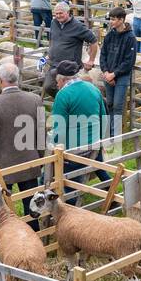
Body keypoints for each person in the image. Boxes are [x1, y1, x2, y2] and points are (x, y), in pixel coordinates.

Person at [0, 60, 46, 225]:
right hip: (30, 161)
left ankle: (4, 239)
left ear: (0, 80)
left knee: (2, 208)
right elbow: (41, 134)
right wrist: (39, 158)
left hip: (2, 166)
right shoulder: (35, 100)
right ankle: (33, 237)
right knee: (31, 206)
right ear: (17, 79)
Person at [50, 60, 110, 194]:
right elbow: (103, 117)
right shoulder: (93, 89)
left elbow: (59, 128)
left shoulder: (63, 95)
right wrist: (101, 141)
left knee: (52, 171)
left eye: (57, 80)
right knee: (97, 162)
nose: (56, 84)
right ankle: (111, 193)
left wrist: (54, 149)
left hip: (76, 151)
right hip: (94, 145)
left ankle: (71, 202)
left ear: (63, 79)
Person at [43, 1, 98, 99]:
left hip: (70, 66)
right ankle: (66, 101)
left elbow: (93, 41)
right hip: (54, 64)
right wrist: (50, 52)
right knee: (48, 87)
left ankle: (68, 105)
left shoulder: (78, 26)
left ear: (68, 13)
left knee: (70, 88)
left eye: (61, 13)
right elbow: (52, 39)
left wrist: (91, 60)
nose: (58, 16)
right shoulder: (54, 22)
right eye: (56, 14)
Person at [99, 5, 137, 137]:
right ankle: (108, 133)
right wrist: (105, 72)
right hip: (108, 74)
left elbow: (129, 61)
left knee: (117, 105)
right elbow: (103, 54)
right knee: (109, 103)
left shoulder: (130, 38)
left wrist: (114, 74)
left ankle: (116, 135)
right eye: (111, 19)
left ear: (121, 20)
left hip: (121, 76)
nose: (111, 22)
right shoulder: (109, 35)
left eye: (114, 19)